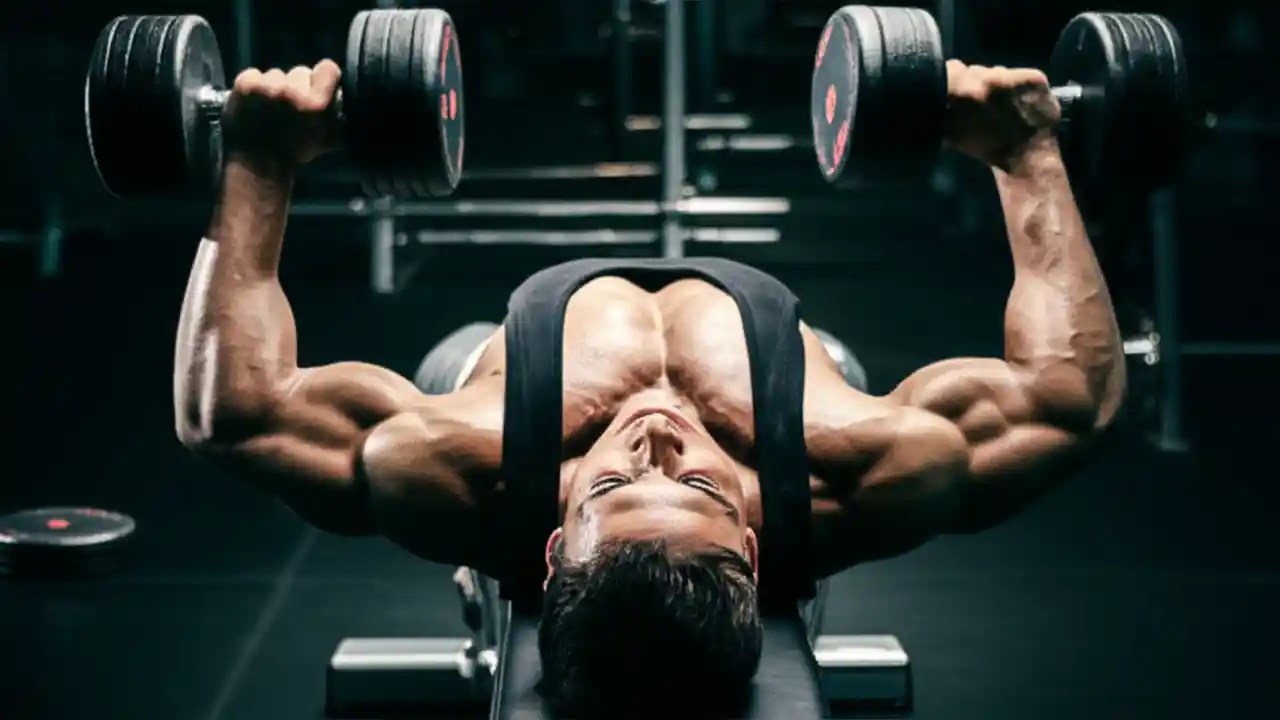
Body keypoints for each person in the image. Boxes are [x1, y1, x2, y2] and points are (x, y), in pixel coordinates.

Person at [174, 58, 1125, 717]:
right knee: (860, 387)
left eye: (615, 488)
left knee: (439, 383)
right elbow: (1069, 400)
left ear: (552, 547)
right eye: (701, 488)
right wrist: (1025, 152)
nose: (659, 443)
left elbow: (232, 415)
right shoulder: (862, 472)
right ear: (752, 544)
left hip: (484, 368)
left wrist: (258, 161)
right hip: (804, 371)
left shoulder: (457, 468)